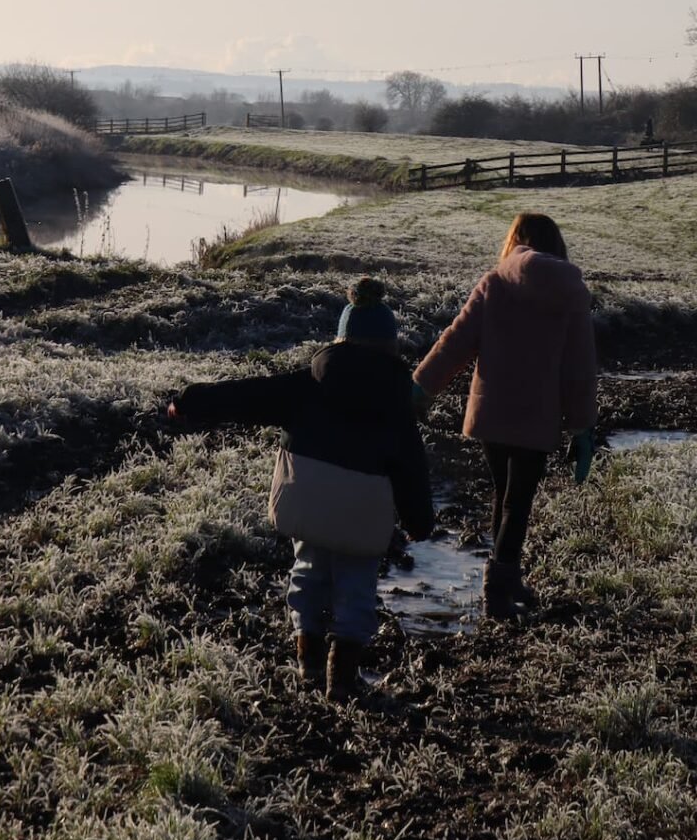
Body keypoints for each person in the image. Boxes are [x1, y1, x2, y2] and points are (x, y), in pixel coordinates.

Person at [168, 278, 434, 701]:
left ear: (339, 341)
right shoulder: (397, 402)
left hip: (305, 503)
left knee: (307, 573)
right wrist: (420, 519)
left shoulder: (307, 383)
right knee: (356, 589)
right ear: (391, 347)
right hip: (361, 516)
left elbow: (248, 395)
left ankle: (307, 662)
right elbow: (410, 467)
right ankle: (340, 680)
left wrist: (190, 400)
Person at [411, 213, 596, 620]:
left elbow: (456, 341)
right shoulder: (571, 293)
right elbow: (580, 366)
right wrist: (582, 427)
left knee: (504, 496)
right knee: (518, 501)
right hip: (537, 415)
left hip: (490, 412)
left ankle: (504, 578)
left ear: (517, 240)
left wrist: (422, 385)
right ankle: (498, 588)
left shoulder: (494, 282)